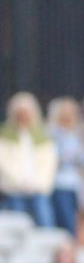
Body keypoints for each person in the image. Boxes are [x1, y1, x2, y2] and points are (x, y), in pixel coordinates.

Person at [0, 91, 59, 228]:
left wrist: (39, 183)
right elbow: (3, 162)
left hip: (37, 190)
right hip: (14, 190)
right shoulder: (4, 135)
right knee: (15, 227)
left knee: (45, 225)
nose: (23, 117)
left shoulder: (43, 136)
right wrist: (17, 181)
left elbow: (49, 164)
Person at [47, 96, 84, 238]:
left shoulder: (77, 134)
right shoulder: (52, 133)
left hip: (75, 184)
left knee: (75, 219)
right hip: (59, 183)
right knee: (65, 221)